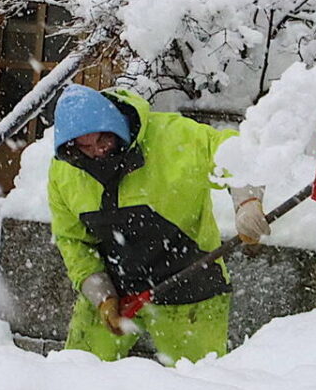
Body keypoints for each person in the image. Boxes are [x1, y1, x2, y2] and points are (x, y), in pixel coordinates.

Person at [46, 84, 268, 363]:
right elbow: (72, 240)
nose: (98, 152)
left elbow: (232, 151)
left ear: (117, 126)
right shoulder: (65, 173)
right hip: (117, 290)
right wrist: (102, 295)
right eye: (86, 147)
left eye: (104, 141)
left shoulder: (173, 137)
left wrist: (247, 202)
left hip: (191, 286)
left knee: (198, 389)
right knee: (75, 374)